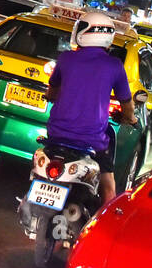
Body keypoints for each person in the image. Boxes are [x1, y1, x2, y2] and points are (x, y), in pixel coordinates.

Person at [46, 11, 136, 202]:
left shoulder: (66, 58)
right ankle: (105, 223)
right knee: (109, 188)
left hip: (55, 135)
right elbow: (127, 103)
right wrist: (131, 118)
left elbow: (51, 92)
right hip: (92, 141)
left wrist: (54, 97)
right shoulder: (114, 65)